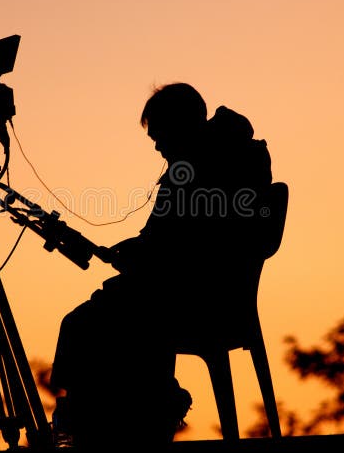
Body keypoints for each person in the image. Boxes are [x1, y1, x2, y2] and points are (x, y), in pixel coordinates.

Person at [50, 82, 273, 448]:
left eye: (159, 135)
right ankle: (140, 417)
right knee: (106, 316)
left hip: (194, 295)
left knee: (83, 324)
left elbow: (186, 244)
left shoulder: (198, 169)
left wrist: (137, 256)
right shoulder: (234, 157)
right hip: (202, 288)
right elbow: (171, 239)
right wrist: (138, 251)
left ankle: (96, 428)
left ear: (180, 126)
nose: (157, 146)